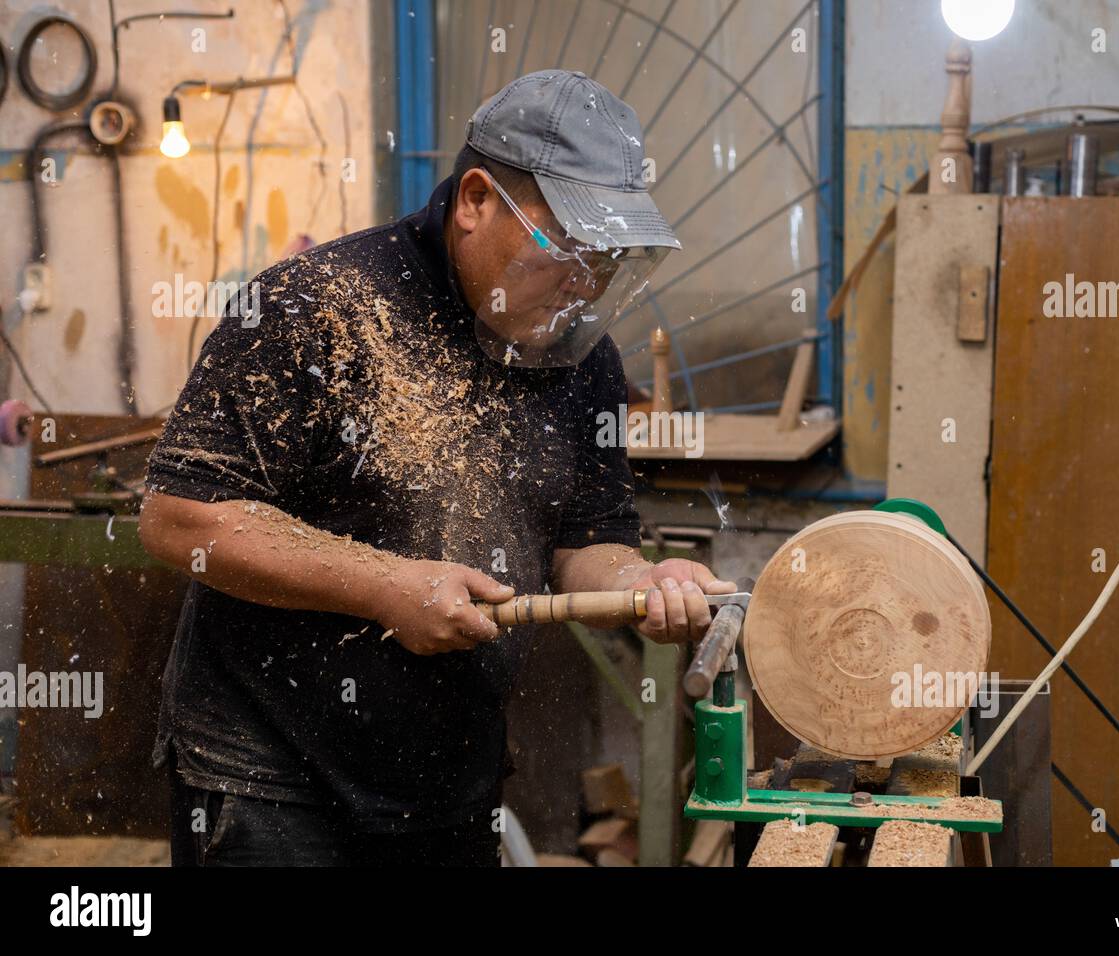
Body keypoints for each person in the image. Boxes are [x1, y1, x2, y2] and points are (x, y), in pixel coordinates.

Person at [139, 70, 733, 866]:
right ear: (476, 200)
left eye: (609, 259)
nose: (585, 285)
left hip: (450, 774)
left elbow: (589, 540)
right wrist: (389, 584)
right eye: (571, 250)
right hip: (270, 776)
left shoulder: (579, 355)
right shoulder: (315, 307)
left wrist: (641, 583)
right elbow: (182, 517)